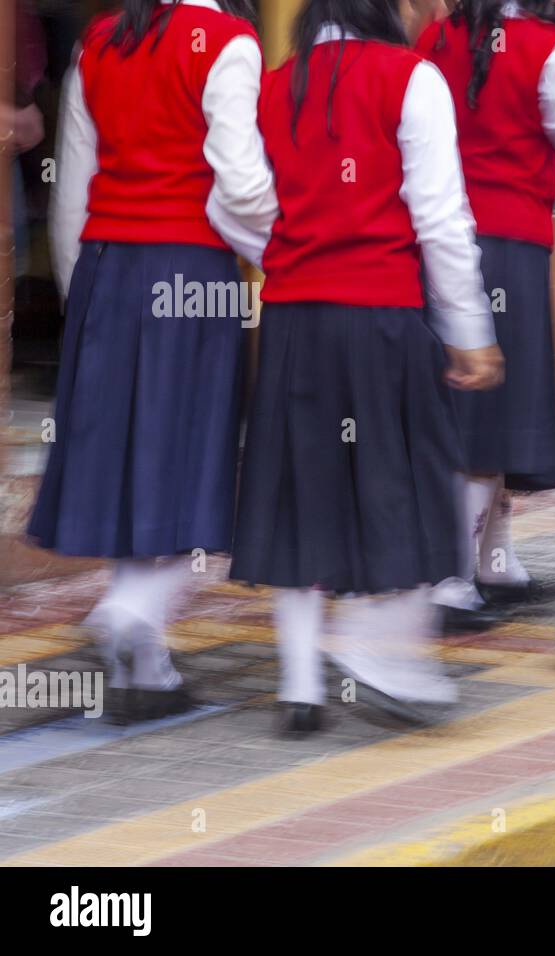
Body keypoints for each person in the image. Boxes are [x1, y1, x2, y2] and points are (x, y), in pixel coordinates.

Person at [230, 0, 502, 734]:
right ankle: (375, 648)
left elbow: (233, 199)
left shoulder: (275, 85)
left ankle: (299, 689)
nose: (434, 10)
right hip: (382, 317)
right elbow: (441, 218)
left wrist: (289, 254)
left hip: (291, 319)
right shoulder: (412, 78)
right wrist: (470, 329)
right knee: (402, 480)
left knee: (298, 488)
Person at [31, 0, 278, 721]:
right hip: (191, 269)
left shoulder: (99, 40)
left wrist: (88, 293)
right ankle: (130, 607)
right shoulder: (229, 42)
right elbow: (241, 181)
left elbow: (73, 187)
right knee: (186, 453)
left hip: (109, 268)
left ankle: (150, 667)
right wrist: (281, 254)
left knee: (132, 460)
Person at [417, 0, 555, 630]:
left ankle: (492, 561)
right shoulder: (550, 51)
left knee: (477, 414)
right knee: (486, 420)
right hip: (505, 250)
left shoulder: (436, 37)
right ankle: (450, 578)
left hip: (437, 242)